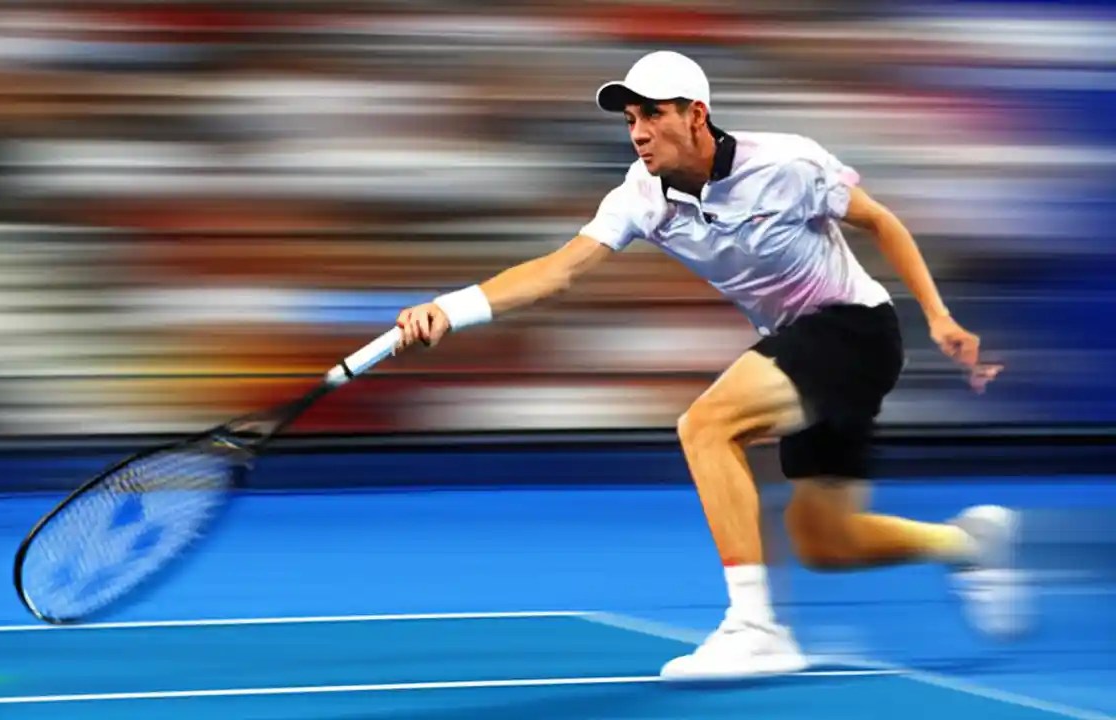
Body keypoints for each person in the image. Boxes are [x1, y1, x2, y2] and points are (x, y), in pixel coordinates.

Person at [393, 50, 1023, 680]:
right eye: (631, 118)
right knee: (828, 544)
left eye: (654, 115)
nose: (638, 132)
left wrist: (938, 316)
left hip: (856, 330)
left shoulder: (786, 163)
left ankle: (756, 629)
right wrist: (451, 309)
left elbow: (880, 221)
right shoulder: (640, 197)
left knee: (706, 426)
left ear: (696, 115)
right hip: (800, 347)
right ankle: (970, 544)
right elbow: (558, 271)